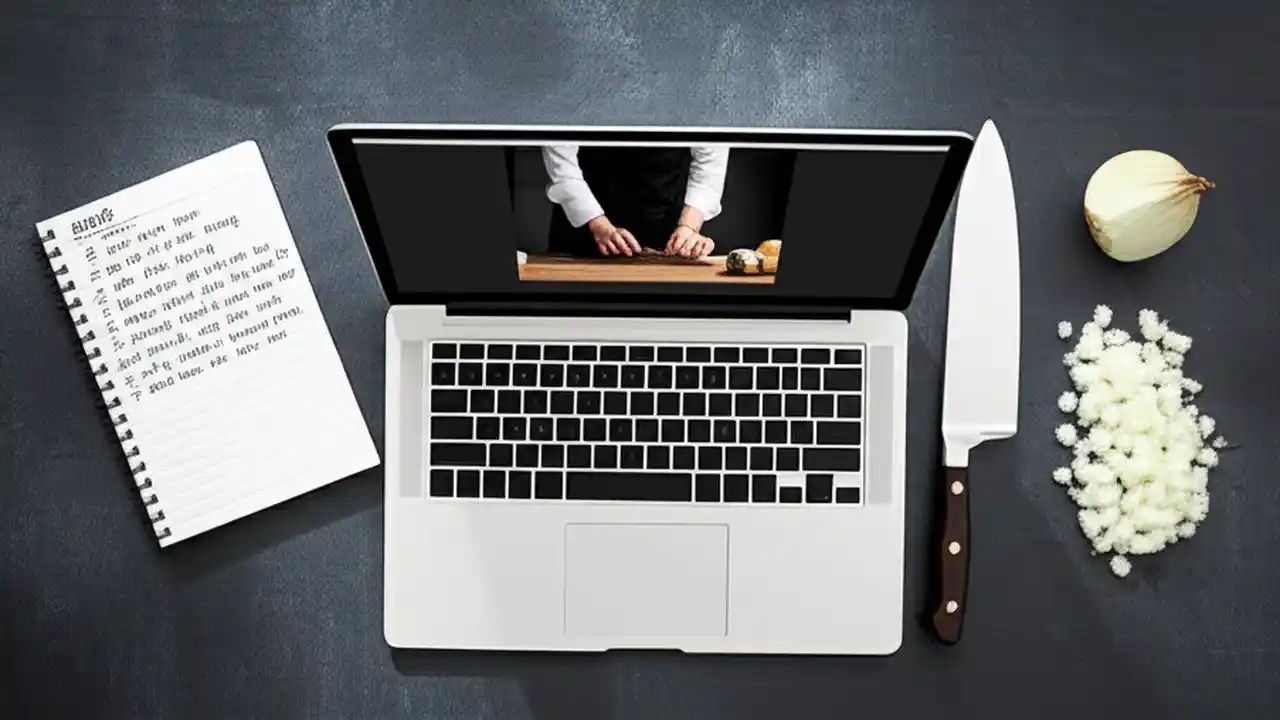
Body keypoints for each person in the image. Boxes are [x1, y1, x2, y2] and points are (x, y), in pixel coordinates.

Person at [542, 145, 729, 259]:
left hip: (667, 227)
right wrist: (598, 225)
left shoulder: (699, 88)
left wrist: (689, 227)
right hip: (584, 231)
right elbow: (562, 166)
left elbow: (709, 164)